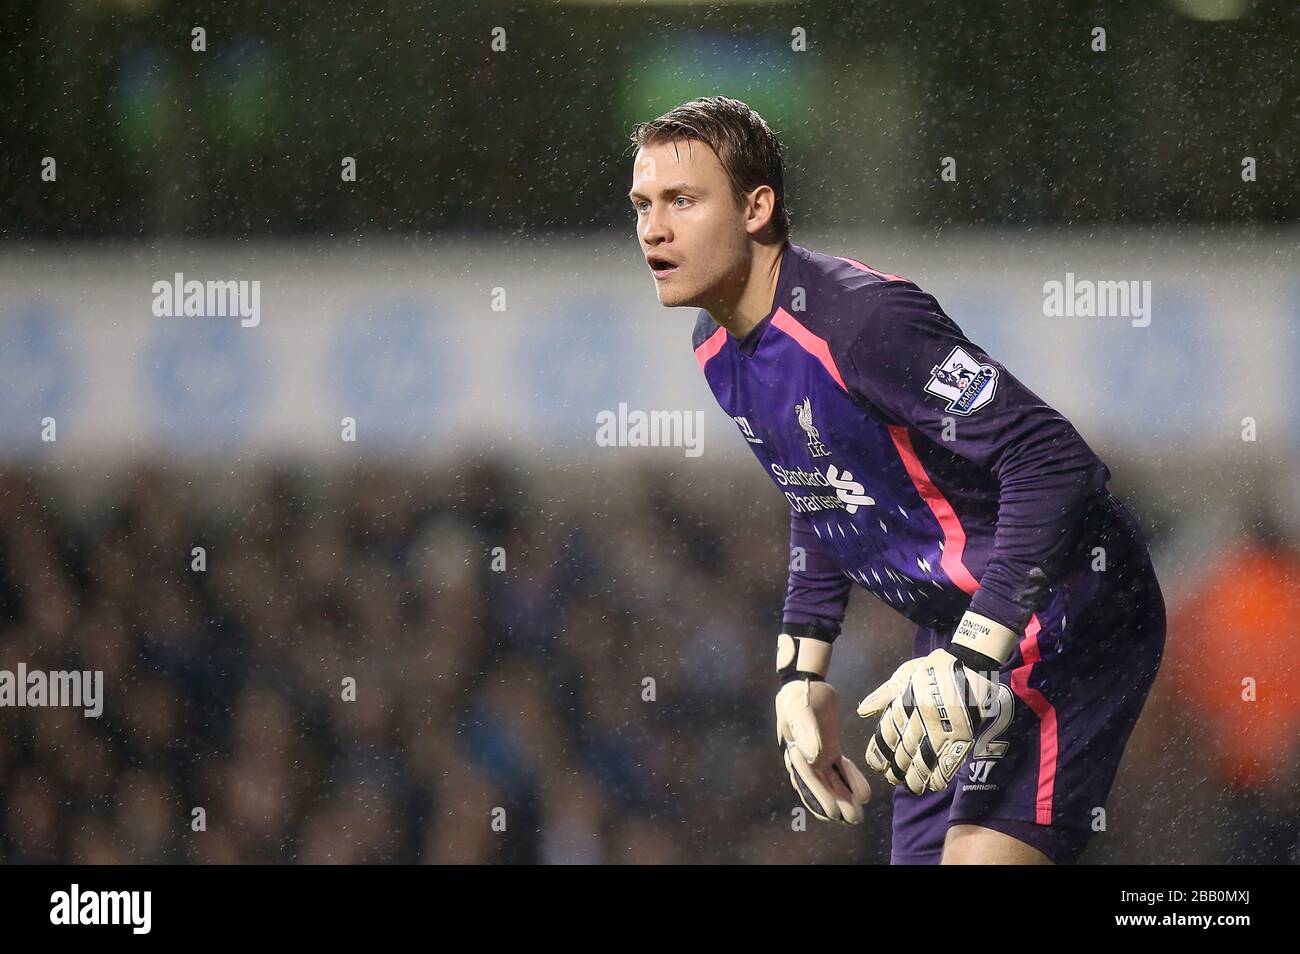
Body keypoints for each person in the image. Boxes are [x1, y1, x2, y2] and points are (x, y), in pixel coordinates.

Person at [627, 96, 1166, 864]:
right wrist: (800, 668)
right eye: (643, 205)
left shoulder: (862, 321)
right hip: (960, 635)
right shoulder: (716, 345)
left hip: (1069, 606)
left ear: (756, 207)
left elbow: (1054, 459)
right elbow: (818, 492)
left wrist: (980, 649)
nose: (653, 228)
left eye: (682, 201)